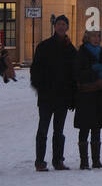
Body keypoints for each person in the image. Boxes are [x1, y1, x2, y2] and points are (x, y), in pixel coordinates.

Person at [30, 14, 78, 171]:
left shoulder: (70, 50)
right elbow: (35, 70)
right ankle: (40, 161)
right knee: (43, 129)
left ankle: (58, 160)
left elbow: (73, 76)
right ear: (55, 26)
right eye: (59, 24)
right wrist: (40, 86)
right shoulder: (44, 46)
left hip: (62, 98)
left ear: (67, 27)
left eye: (64, 24)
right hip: (46, 96)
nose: (61, 27)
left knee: (59, 131)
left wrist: (72, 97)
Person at [74, 28, 102, 169]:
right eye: (93, 36)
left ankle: (96, 160)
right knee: (84, 128)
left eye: (98, 36)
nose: (96, 39)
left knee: (96, 127)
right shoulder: (81, 52)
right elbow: (77, 73)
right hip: (85, 95)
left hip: (98, 95)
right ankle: (84, 161)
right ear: (87, 38)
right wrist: (94, 71)